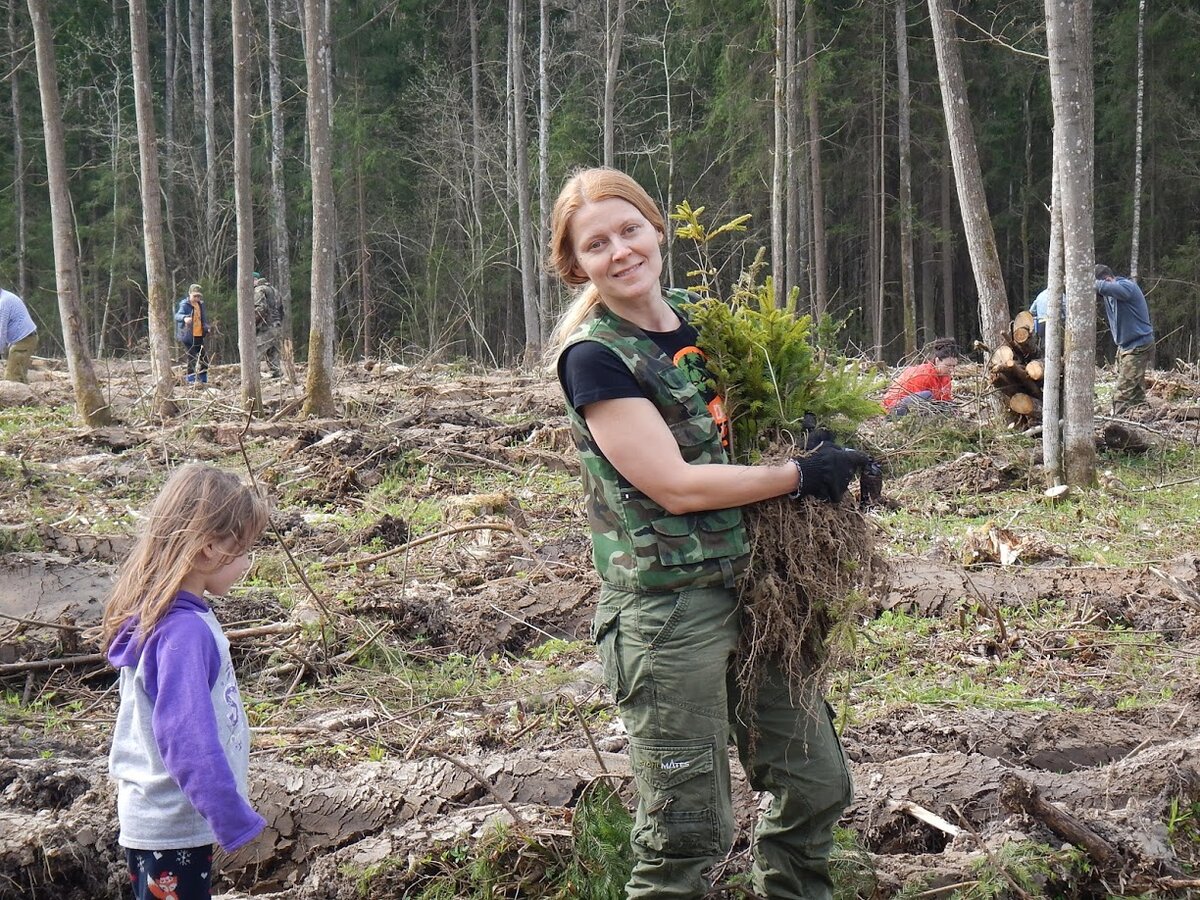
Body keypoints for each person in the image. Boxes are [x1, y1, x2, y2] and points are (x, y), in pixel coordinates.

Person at [549, 167, 866, 899]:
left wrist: (823, 438)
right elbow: (675, 484)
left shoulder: (705, 320)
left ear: (657, 229)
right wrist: (798, 474)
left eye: (630, 229)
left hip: (760, 593)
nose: (621, 251)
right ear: (576, 266)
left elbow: (757, 413)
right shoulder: (597, 358)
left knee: (816, 781)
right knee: (686, 831)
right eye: (597, 244)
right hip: (669, 614)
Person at [102, 464, 270, 900]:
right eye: (245, 549)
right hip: (174, 825)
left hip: (165, 822)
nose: (249, 563)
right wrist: (229, 814)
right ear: (208, 549)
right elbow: (186, 736)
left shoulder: (168, 614)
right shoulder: (184, 633)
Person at [1095, 264, 1155, 413]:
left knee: (1122, 393)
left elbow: (1106, 287)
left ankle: (1117, 423)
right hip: (1126, 346)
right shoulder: (1110, 295)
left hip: (1139, 346)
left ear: (1108, 279)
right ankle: (1141, 415)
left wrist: (1081, 279)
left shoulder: (1127, 287)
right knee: (1135, 391)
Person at [881, 338, 959, 418]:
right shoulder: (923, 374)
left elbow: (945, 399)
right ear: (937, 361)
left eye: (954, 366)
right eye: (948, 365)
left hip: (916, 404)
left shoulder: (945, 377)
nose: (951, 369)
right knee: (927, 395)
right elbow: (919, 403)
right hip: (894, 406)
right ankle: (894, 417)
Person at [0, 288, 38, 383]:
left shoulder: (3, 303)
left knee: (12, 379)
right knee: (19, 376)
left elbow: (1, 331)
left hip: (25, 340)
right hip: (24, 339)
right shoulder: (5, 296)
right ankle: (28, 396)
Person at [175, 284, 211, 384]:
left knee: (204, 358)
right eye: (194, 296)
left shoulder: (201, 305)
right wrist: (184, 318)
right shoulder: (184, 305)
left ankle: (203, 379)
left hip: (199, 334)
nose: (196, 298)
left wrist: (206, 327)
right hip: (187, 335)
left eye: (198, 296)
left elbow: (203, 319)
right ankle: (190, 380)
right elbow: (177, 316)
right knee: (191, 357)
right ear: (189, 294)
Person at [253, 273, 283, 379]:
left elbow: (260, 309)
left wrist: (252, 324)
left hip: (266, 326)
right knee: (273, 350)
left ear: (255, 280)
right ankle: (276, 373)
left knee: (255, 349)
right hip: (277, 325)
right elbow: (281, 310)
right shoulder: (274, 290)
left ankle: (253, 375)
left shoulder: (259, 290)